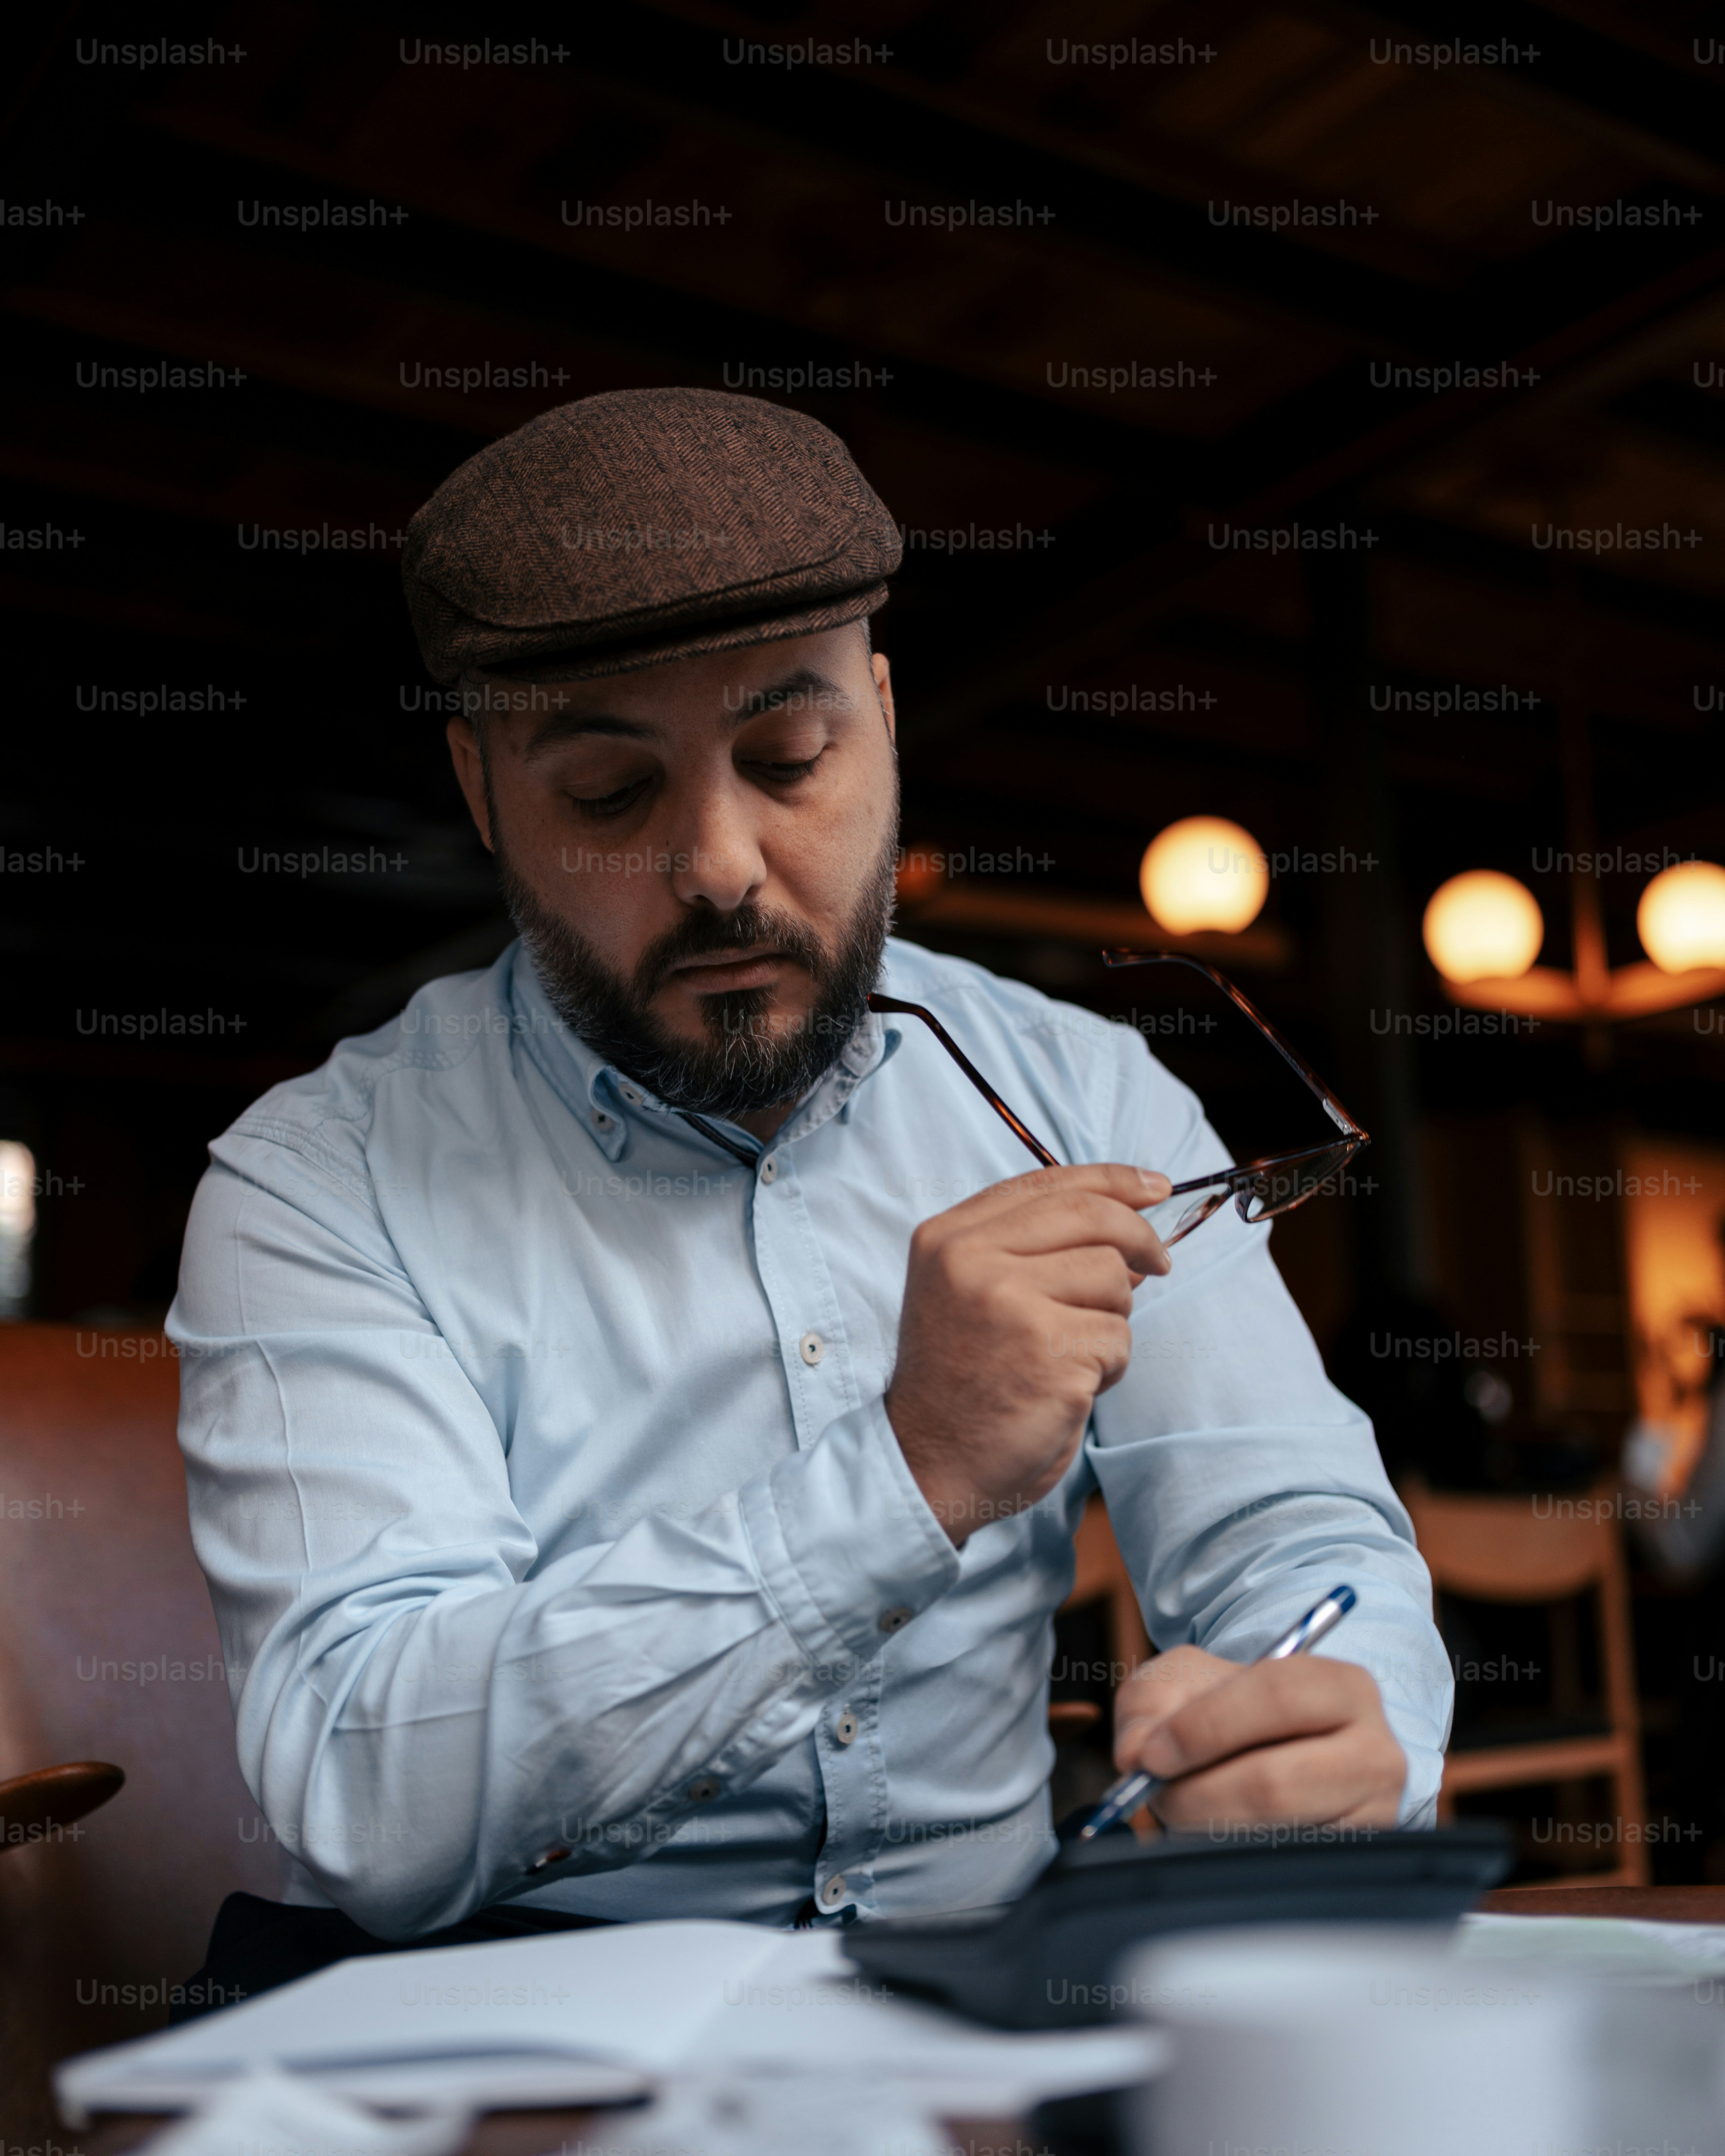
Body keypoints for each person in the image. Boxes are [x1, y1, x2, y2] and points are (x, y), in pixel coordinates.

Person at [168, 388, 1451, 1995]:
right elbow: (372, 1782)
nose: (717, 861)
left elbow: (1296, 1532)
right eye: (608, 793)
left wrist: (1342, 1732)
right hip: (521, 2053)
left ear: (888, 722)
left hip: (993, 2029)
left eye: (789, 755)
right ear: (484, 790)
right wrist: (904, 1470)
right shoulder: (316, 1180)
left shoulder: (1087, 1089)